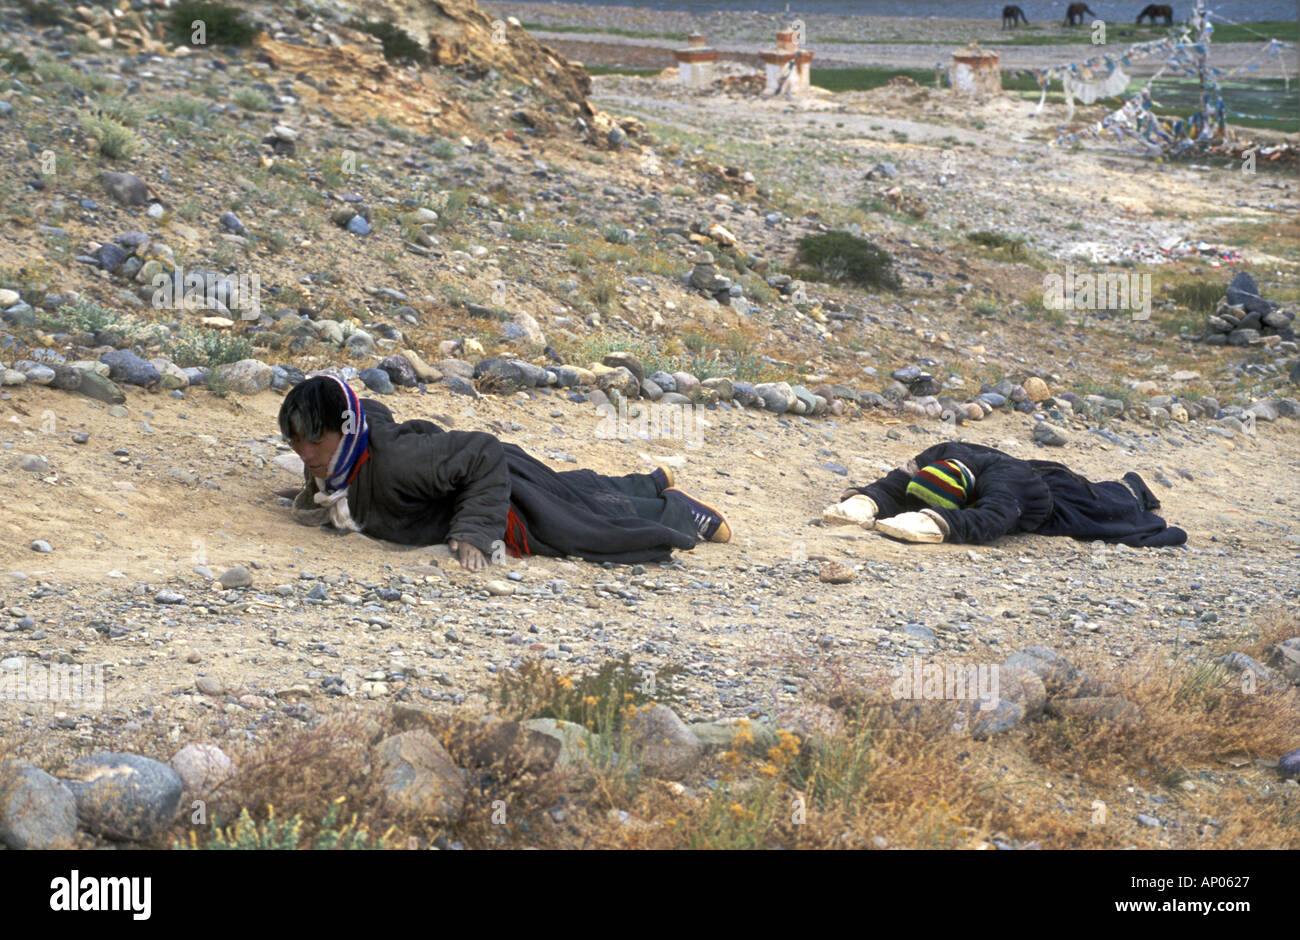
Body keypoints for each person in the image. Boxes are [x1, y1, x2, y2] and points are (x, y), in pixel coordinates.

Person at [276, 374, 731, 569]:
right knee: (567, 489)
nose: (306, 454)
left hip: (496, 487)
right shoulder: (344, 457)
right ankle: (651, 481)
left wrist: (474, 531)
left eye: (316, 441)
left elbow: (483, 451)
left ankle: (677, 510)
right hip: (484, 474)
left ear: (347, 428)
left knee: (583, 524)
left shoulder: (394, 463)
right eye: (297, 443)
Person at [824, 441, 1186, 547]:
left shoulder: (1004, 483)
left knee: (1115, 505)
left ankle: (1135, 487)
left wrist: (936, 523)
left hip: (1059, 495)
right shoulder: (938, 456)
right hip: (1024, 471)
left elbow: (993, 520)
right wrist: (863, 503)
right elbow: (893, 486)